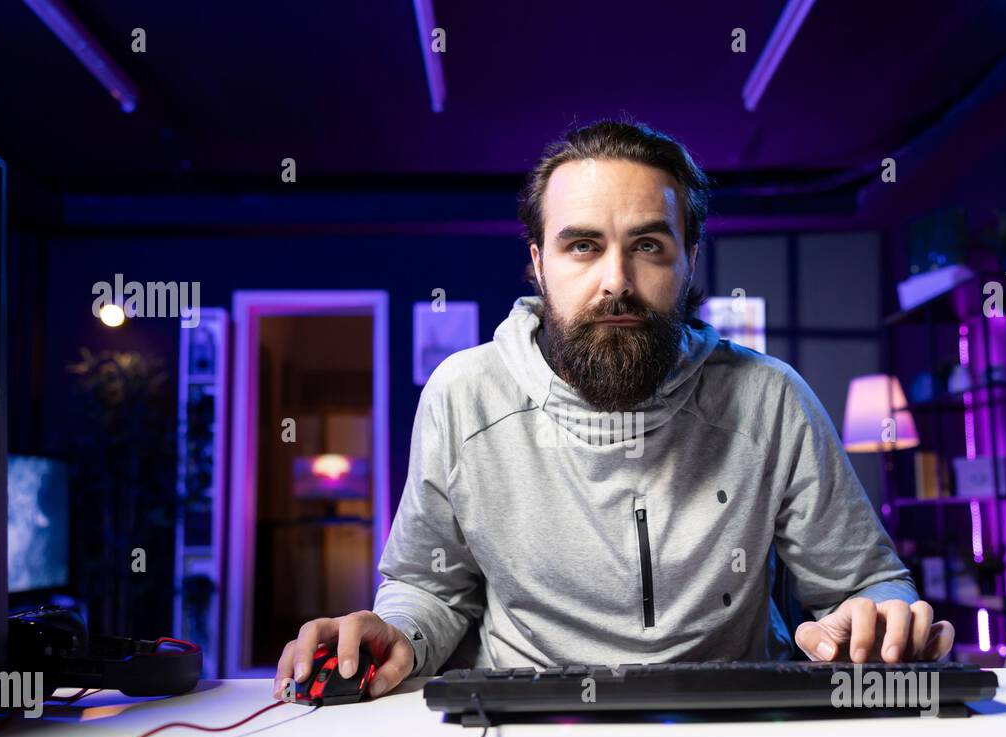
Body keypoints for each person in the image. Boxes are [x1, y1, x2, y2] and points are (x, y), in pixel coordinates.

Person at [274, 120, 954, 701]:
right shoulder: (462, 395)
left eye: (649, 246)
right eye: (583, 245)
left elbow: (862, 585)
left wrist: (880, 623)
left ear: (690, 261)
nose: (616, 282)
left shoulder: (770, 399)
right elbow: (430, 585)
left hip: (734, 732)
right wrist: (400, 630)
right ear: (538, 265)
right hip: (518, 733)